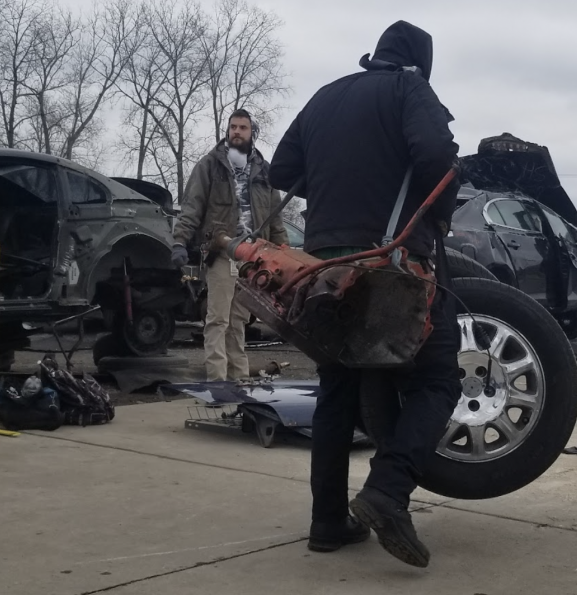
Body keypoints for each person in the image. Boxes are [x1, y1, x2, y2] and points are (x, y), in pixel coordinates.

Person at [269, 21, 462, 568]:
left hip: (326, 268)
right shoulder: (408, 87)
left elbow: (283, 169)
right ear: (420, 62)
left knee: (336, 390)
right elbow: (437, 158)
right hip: (390, 262)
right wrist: (436, 217)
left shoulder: (325, 94)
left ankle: (327, 521)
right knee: (437, 377)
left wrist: (339, 184)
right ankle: (387, 491)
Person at [171, 109, 289, 382]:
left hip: (254, 259)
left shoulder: (265, 171)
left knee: (239, 322)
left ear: (252, 133)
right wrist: (179, 241)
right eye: (233, 127)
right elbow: (192, 206)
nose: (236, 132)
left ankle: (238, 382)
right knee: (217, 320)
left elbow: (277, 220)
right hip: (222, 253)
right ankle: (217, 383)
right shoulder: (209, 165)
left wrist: (284, 258)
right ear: (227, 130)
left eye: (243, 128)